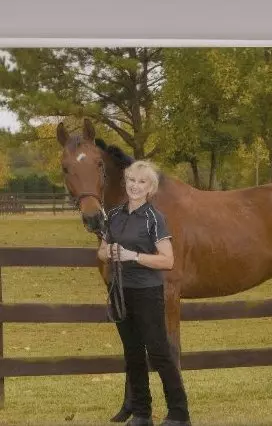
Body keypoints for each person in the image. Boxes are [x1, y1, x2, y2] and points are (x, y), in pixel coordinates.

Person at [97, 160, 191, 426]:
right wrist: (110, 253)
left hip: (147, 292)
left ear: (150, 188)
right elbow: (101, 252)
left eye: (142, 182)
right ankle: (141, 413)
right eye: (131, 181)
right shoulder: (113, 216)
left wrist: (133, 256)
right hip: (120, 292)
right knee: (133, 353)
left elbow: (167, 261)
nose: (135, 186)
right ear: (125, 183)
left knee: (159, 352)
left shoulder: (155, 218)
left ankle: (179, 413)